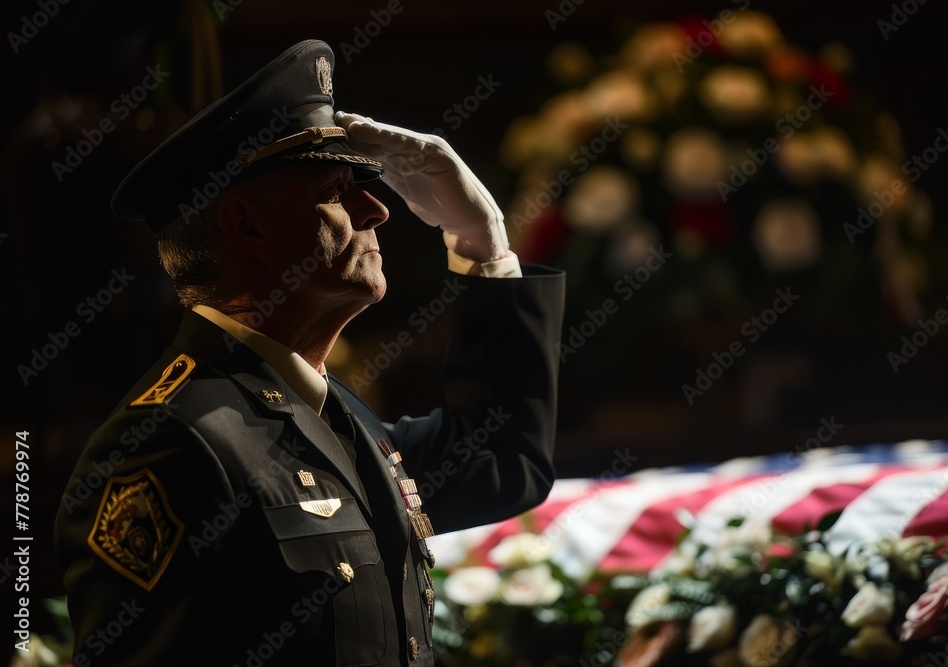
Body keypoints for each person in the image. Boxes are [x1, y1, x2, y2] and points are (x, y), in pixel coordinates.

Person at [53, 39, 564, 666]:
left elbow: (501, 461)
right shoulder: (170, 440)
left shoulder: (330, 411)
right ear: (248, 227)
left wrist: (483, 246)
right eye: (337, 187)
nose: (377, 208)